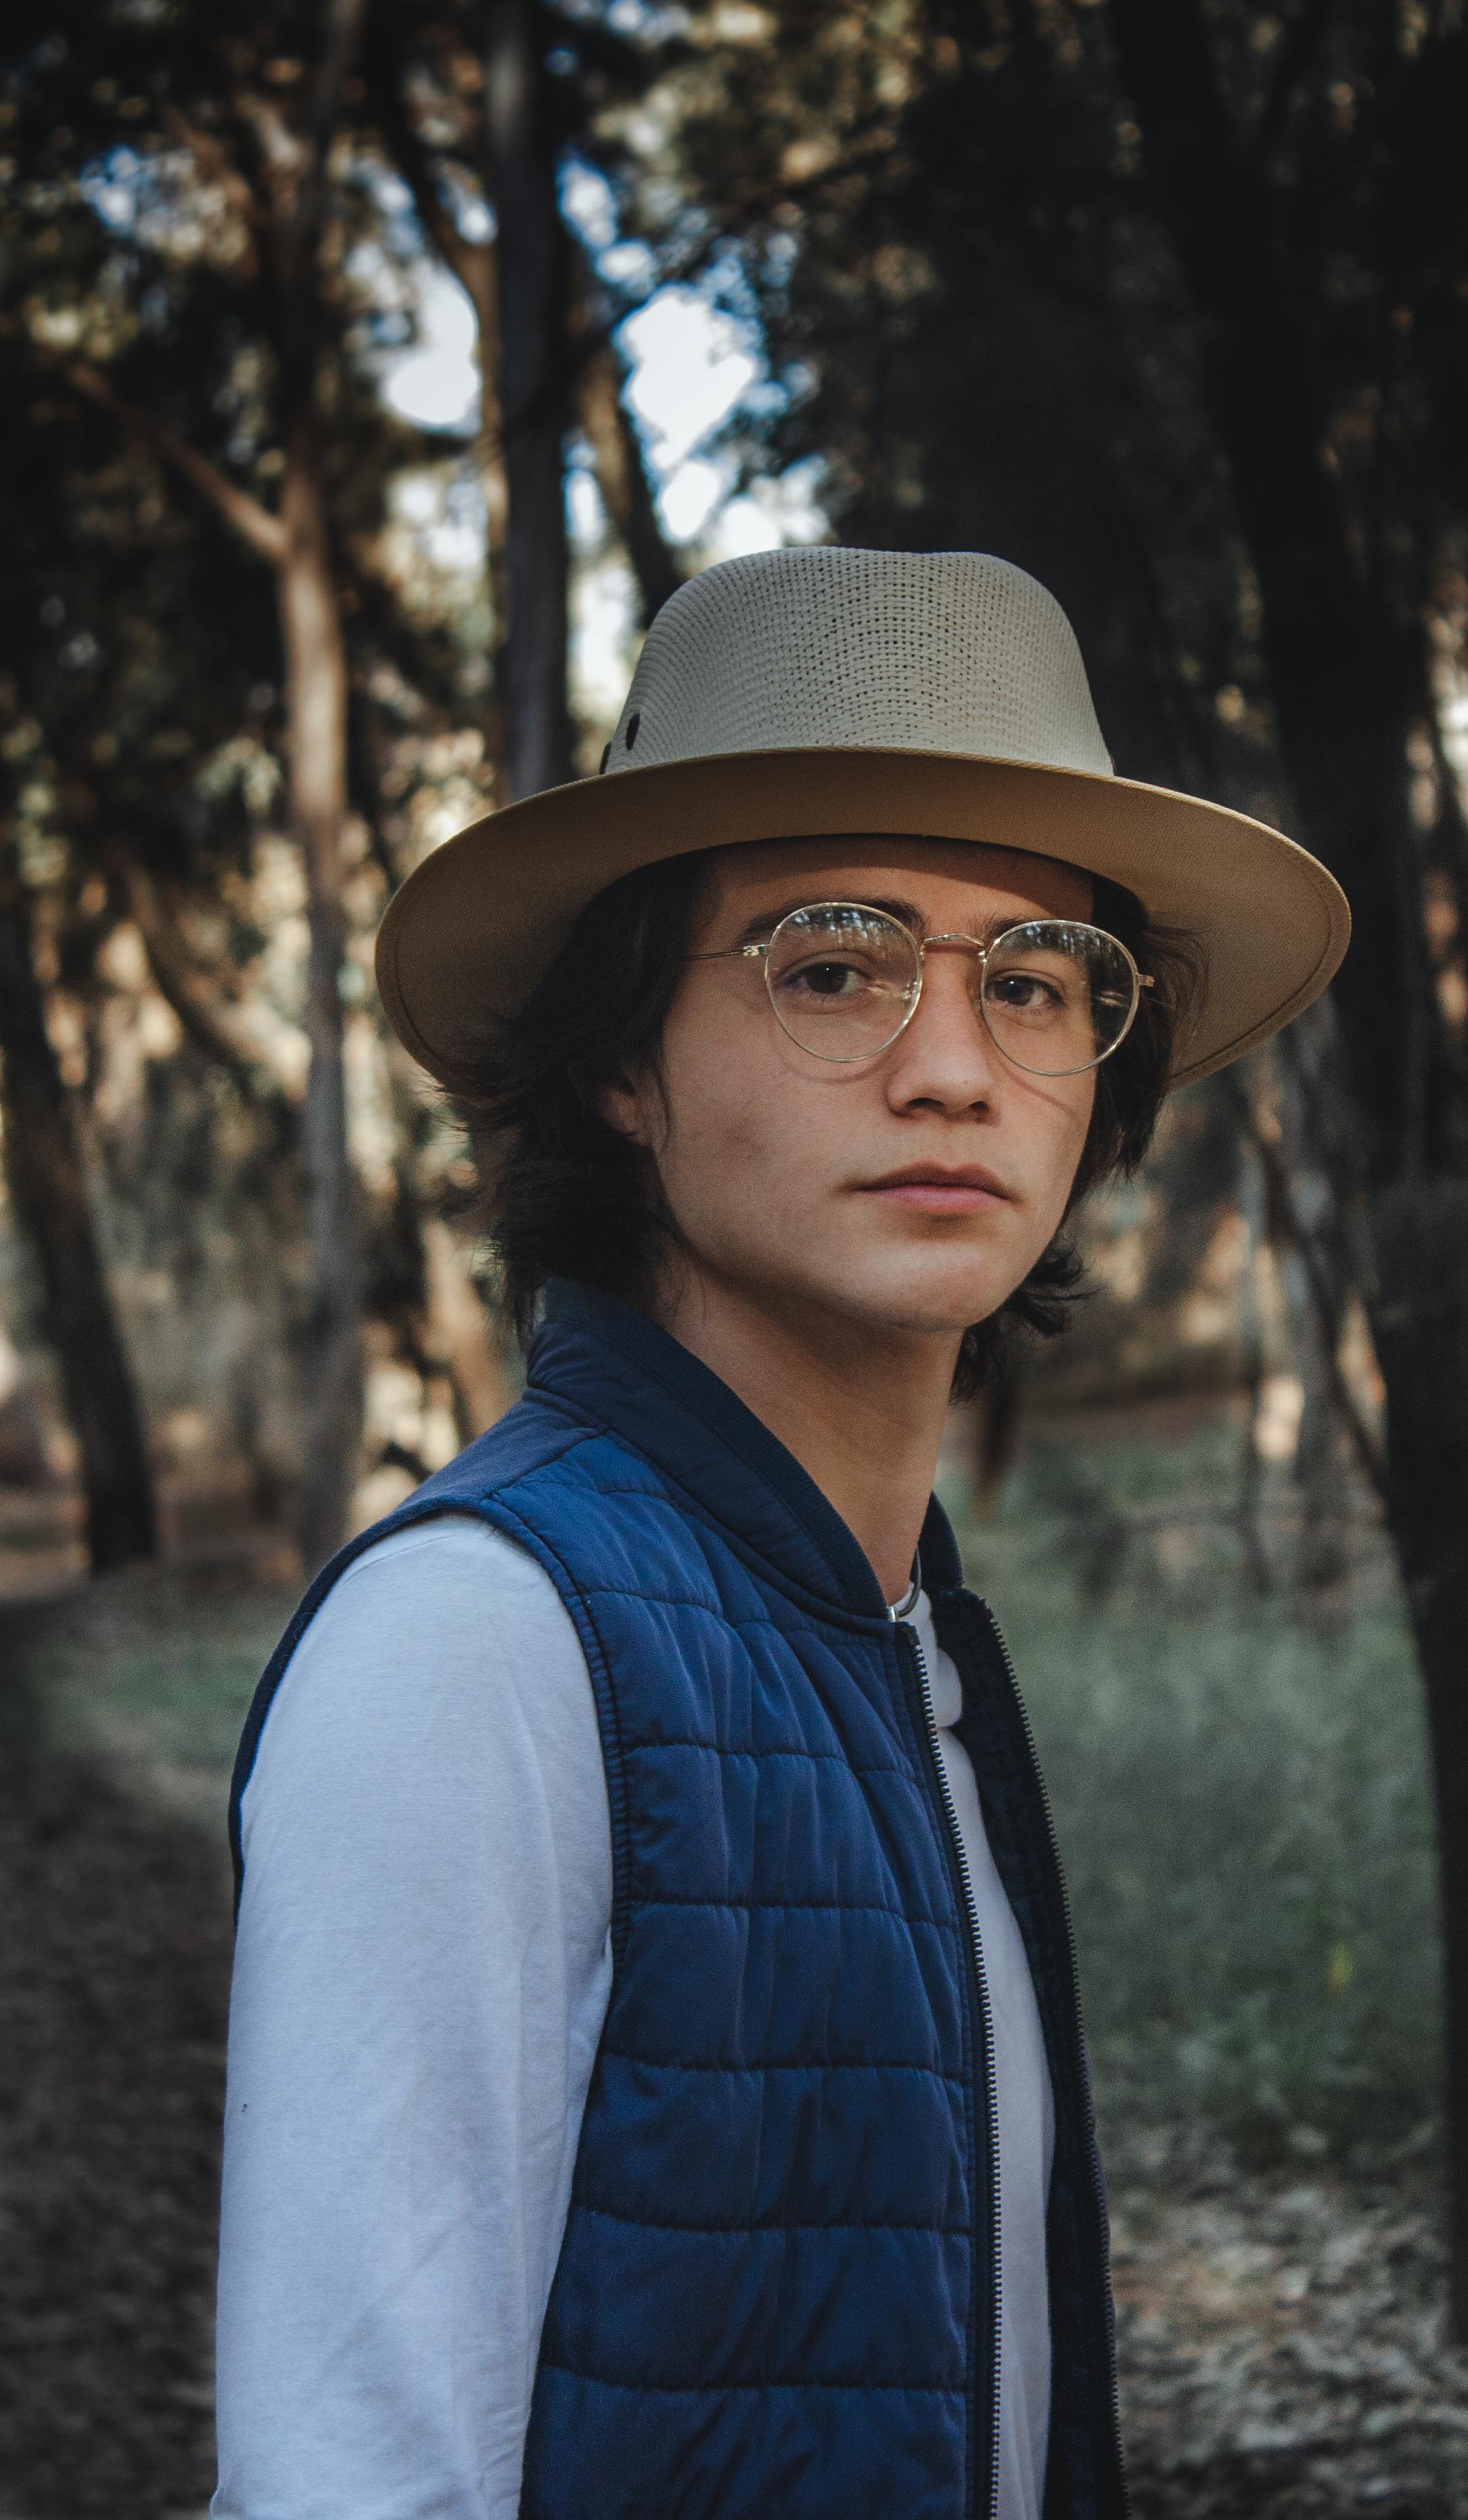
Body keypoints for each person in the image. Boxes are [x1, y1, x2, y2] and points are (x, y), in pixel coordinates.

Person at [212, 545, 1346, 2520]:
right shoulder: (480, 1643)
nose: (951, 1067)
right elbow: (350, 2481)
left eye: (1037, 983)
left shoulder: (907, 1638)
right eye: (834, 962)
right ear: (620, 1066)